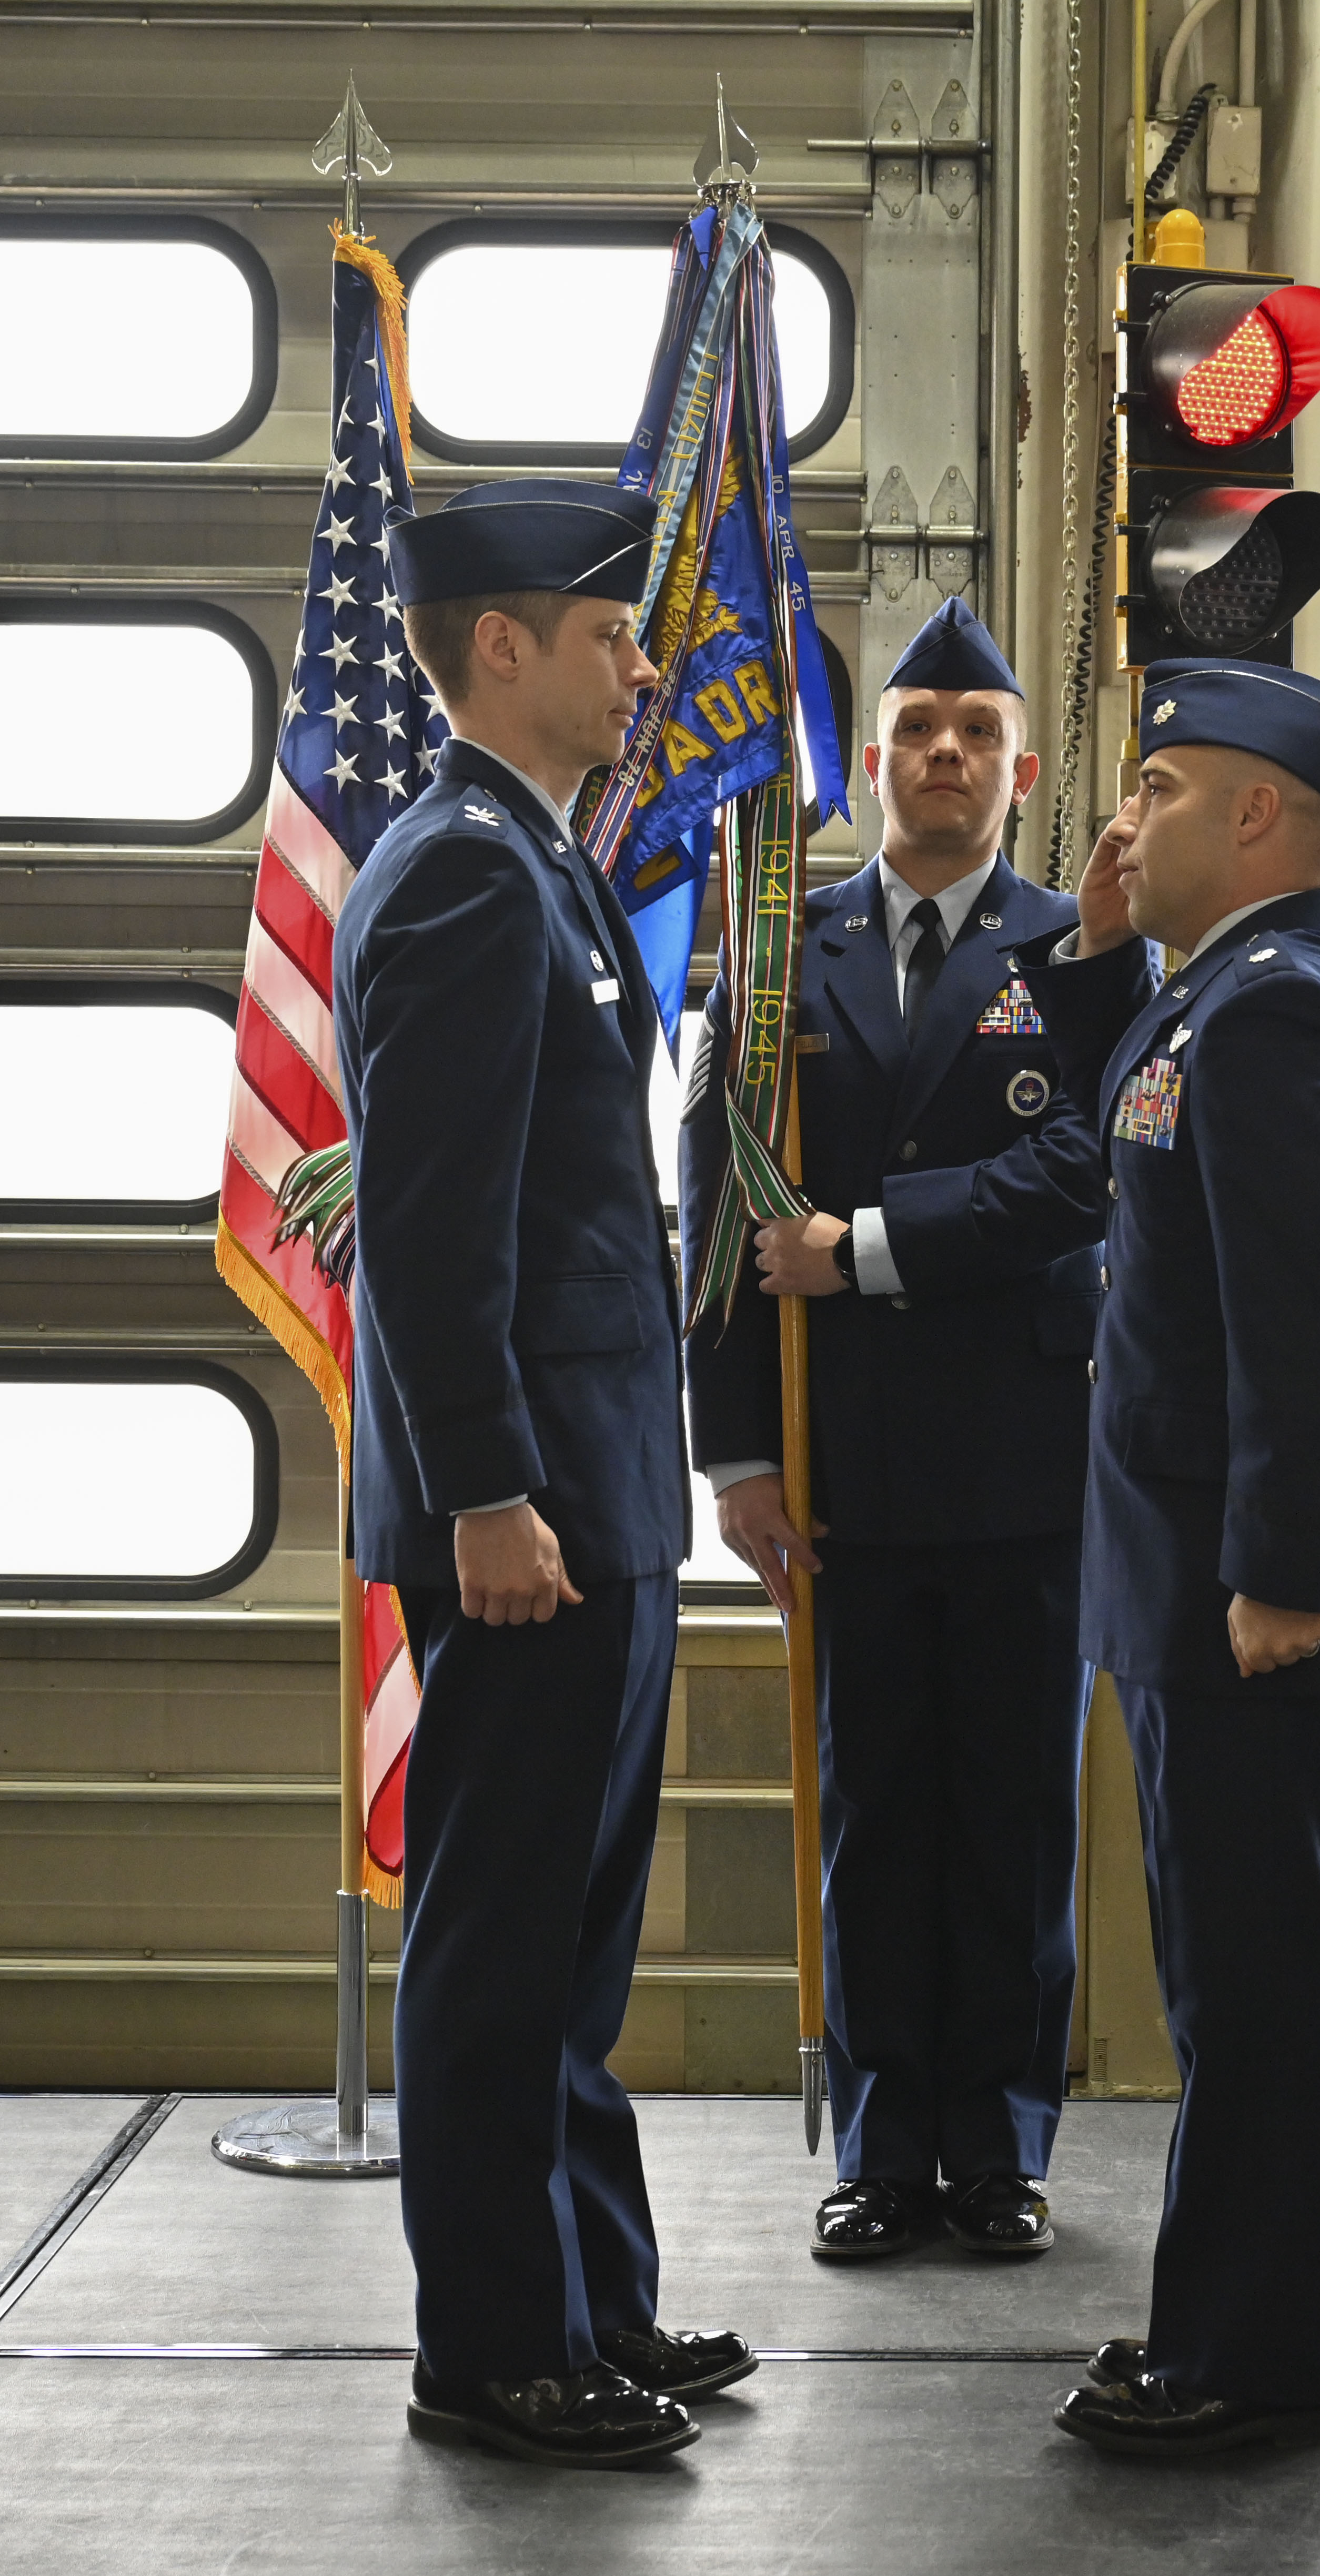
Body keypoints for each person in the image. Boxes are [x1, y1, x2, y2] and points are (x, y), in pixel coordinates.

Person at [334, 477, 753, 2469]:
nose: (643, 664)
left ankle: (595, 2304)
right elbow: (429, 1229)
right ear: (502, 646)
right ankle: (491, 2351)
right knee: (502, 1941)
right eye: (608, 636)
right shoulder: (459, 874)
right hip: (531, 1515)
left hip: (596, 1493)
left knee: (572, 1938)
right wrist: (489, 1490)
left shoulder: (536, 856)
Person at [1016, 660, 1320, 2459]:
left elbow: (1303, 1319)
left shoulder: (1279, 1011)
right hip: (1218, 1576)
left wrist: (1283, 1568)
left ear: (1263, 817)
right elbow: (1137, 1182)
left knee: (1262, 1990)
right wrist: (1108, 954)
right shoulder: (1219, 993)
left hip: (1267, 1594)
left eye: (1158, 792)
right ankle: (1258, 2333)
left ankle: (1260, 2364)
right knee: (1247, 1978)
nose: (1120, 824)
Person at [680, 597, 1151, 2263]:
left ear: (1019, 772)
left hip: (1025, 1462)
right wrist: (734, 1458)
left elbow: (1085, 1178)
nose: (943, 756)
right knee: (874, 1808)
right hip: (843, 1467)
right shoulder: (769, 953)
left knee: (1013, 1817)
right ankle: (883, 2148)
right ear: (870, 762)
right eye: (916, 730)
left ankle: (1000, 2147)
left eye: (975, 733)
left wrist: (861, 1249)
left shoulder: (1086, 953)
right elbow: (717, 1199)